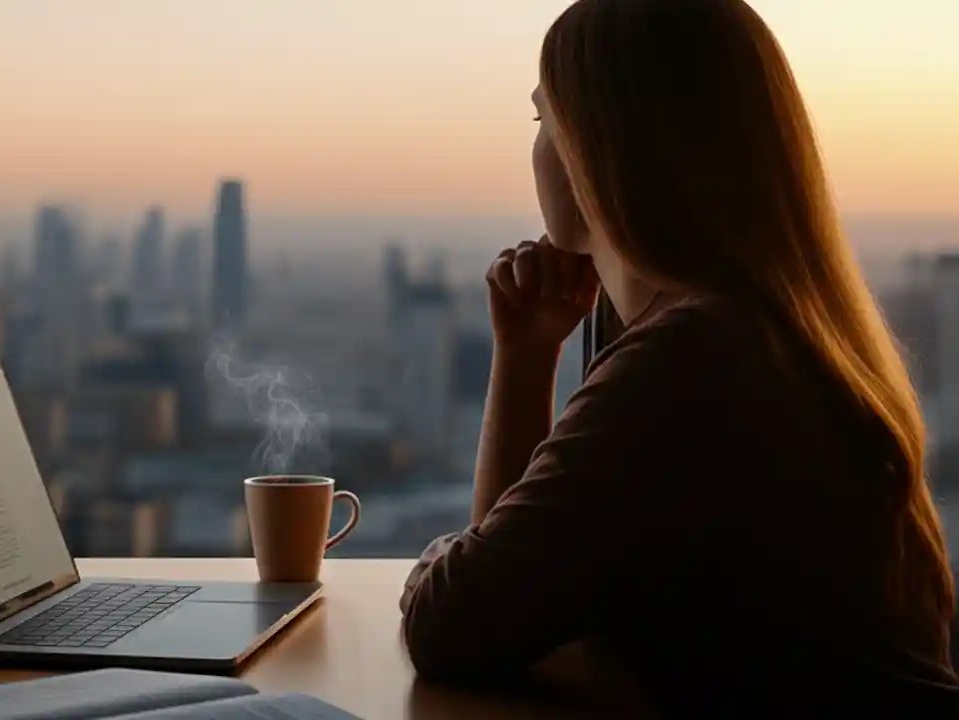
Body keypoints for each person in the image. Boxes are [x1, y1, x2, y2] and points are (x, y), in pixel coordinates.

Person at [398, 0, 957, 716]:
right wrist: (528, 354)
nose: (538, 148)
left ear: (597, 150)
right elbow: (517, 593)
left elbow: (458, 624)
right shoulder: (776, 330)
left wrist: (433, 563)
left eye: (545, 120)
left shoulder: (689, 361)